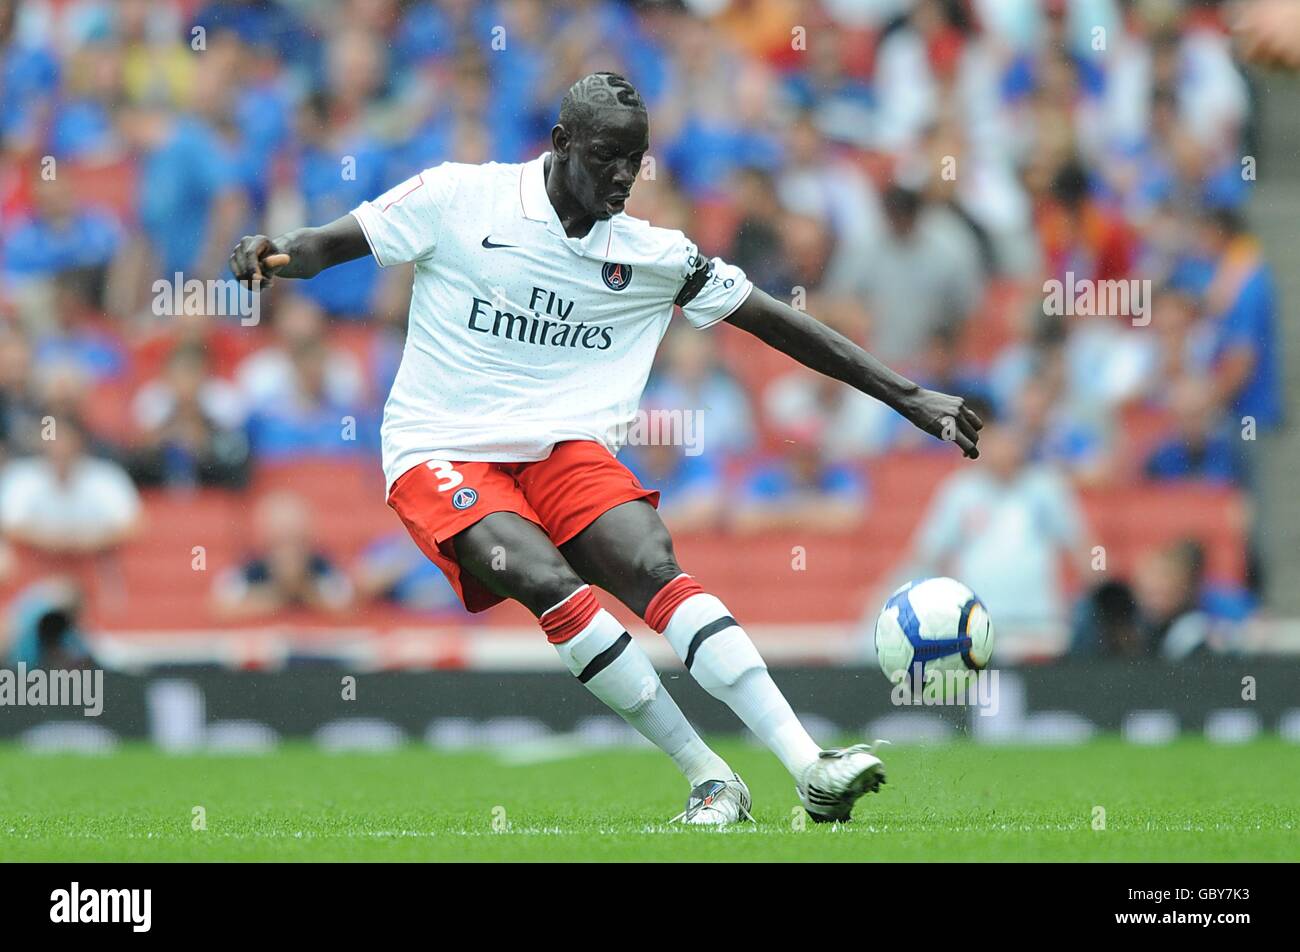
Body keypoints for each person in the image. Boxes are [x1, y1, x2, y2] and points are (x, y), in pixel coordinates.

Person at [229, 72, 982, 826]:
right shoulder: (459, 197)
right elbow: (325, 245)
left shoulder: (654, 255)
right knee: (542, 575)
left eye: (637, 158)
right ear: (559, 145)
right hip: (439, 444)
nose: (625, 175)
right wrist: (273, 251)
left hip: (558, 443)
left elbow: (776, 321)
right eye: (607, 156)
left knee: (652, 563)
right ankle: (710, 777)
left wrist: (906, 395)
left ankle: (810, 765)